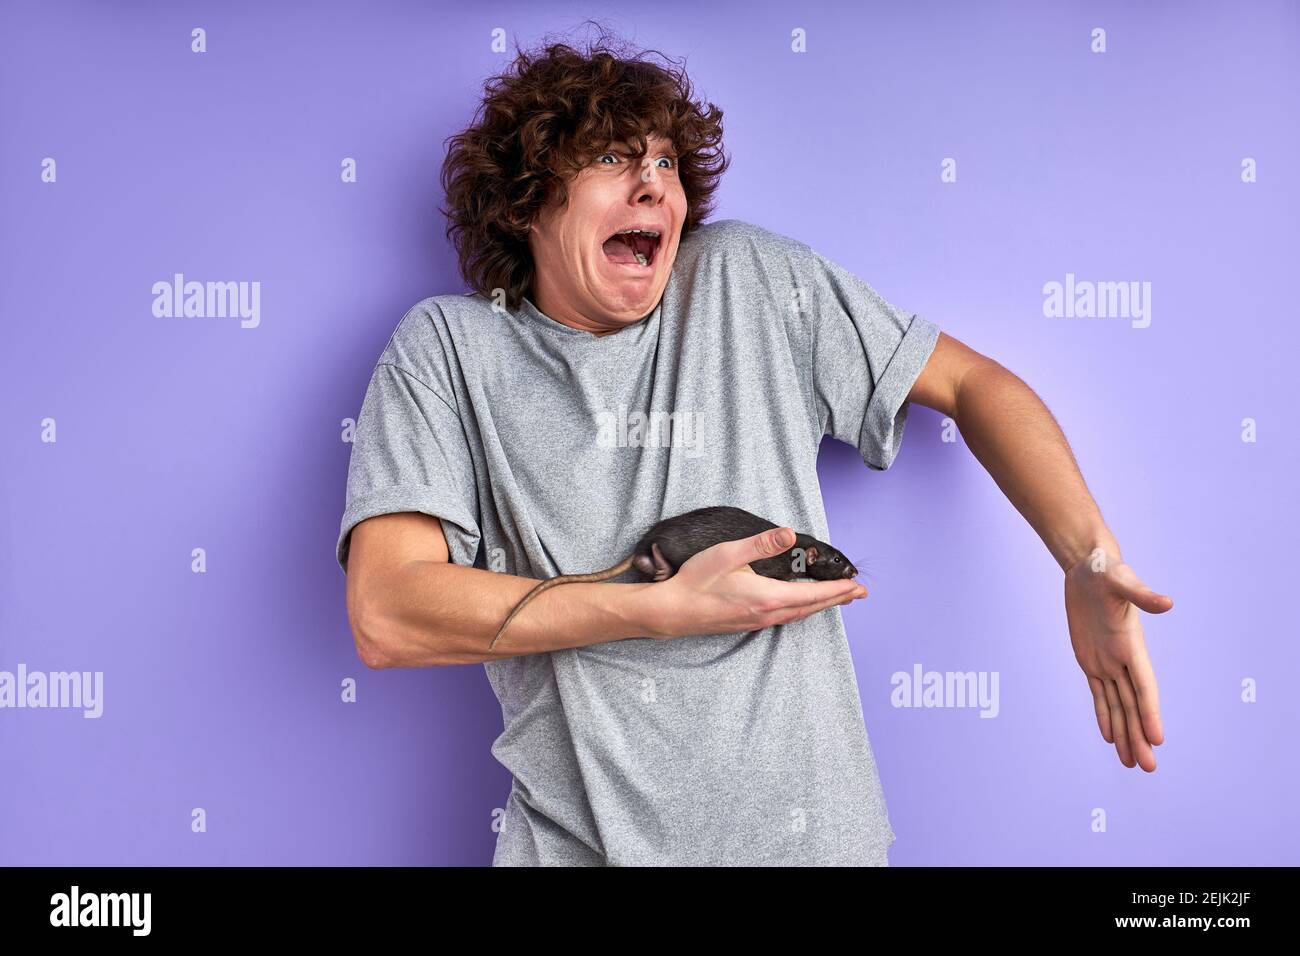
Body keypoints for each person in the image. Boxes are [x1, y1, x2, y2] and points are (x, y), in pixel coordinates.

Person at [335, 34, 1174, 866]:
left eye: (666, 163)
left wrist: (1087, 558)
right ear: (526, 201)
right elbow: (387, 613)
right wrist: (650, 611)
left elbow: (975, 385)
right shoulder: (449, 350)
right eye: (613, 159)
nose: (651, 185)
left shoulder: (748, 280)